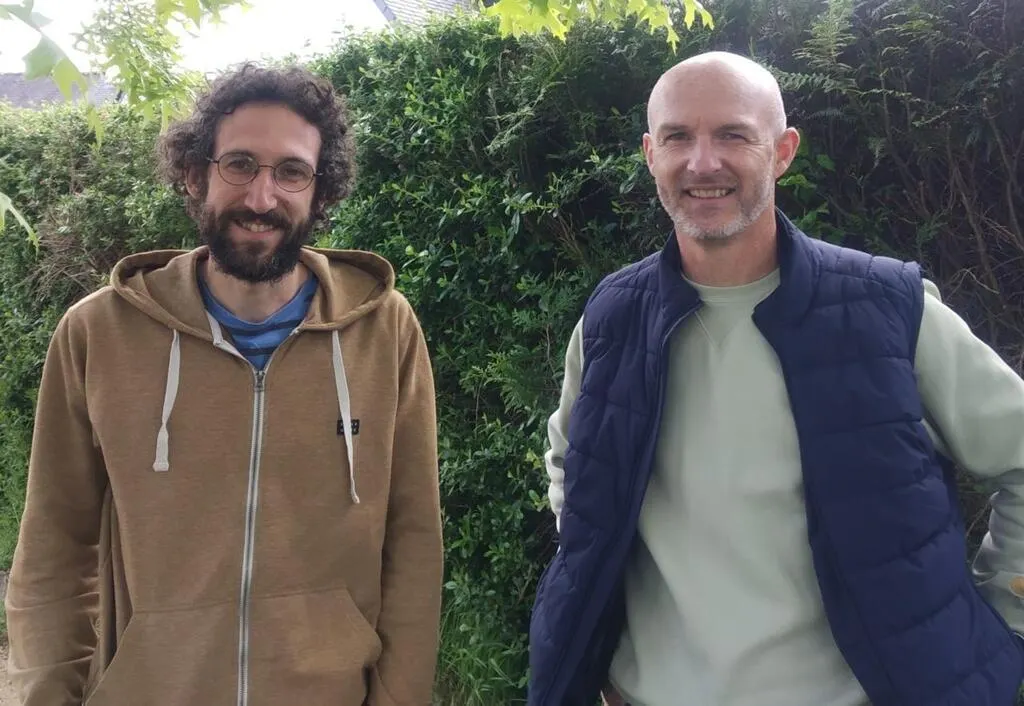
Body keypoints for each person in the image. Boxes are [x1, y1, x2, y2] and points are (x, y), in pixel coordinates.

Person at [528, 51, 1024, 706]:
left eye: (733, 134)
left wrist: (1004, 615)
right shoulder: (611, 321)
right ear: (651, 154)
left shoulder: (886, 311)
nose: (702, 162)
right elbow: (570, 469)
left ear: (782, 151)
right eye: (678, 137)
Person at [4, 63, 443, 706]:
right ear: (194, 173)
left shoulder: (385, 331)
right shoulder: (98, 333)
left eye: (291, 172)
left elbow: (413, 540)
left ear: (321, 193)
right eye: (239, 164)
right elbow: (52, 546)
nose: (262, 198)